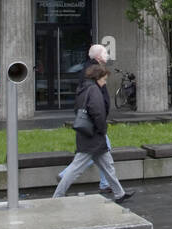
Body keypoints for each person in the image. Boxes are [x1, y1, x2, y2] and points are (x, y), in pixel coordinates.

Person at [54, 62, 135, 204]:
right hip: (93, 136)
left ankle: (119, 193)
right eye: (103, 80)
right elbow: (97, 111)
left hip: (88, 134)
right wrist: (102, 129)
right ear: (97, 78)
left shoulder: (82, 89)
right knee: (76, 168)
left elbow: (77, 109)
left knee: (107, 165)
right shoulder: (94, 90)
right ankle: (57, 196)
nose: (104, 83)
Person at [84, 43, 115, 194]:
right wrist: (100, 123)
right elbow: (95, 100)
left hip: (95, 120)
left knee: (98, 153)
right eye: (105, 53)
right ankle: (64, 177)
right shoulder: (94, 72)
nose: (107, 56)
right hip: (95, 121)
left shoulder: (92, 69)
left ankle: (107, 184)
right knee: (99, 152)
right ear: (97, 56)